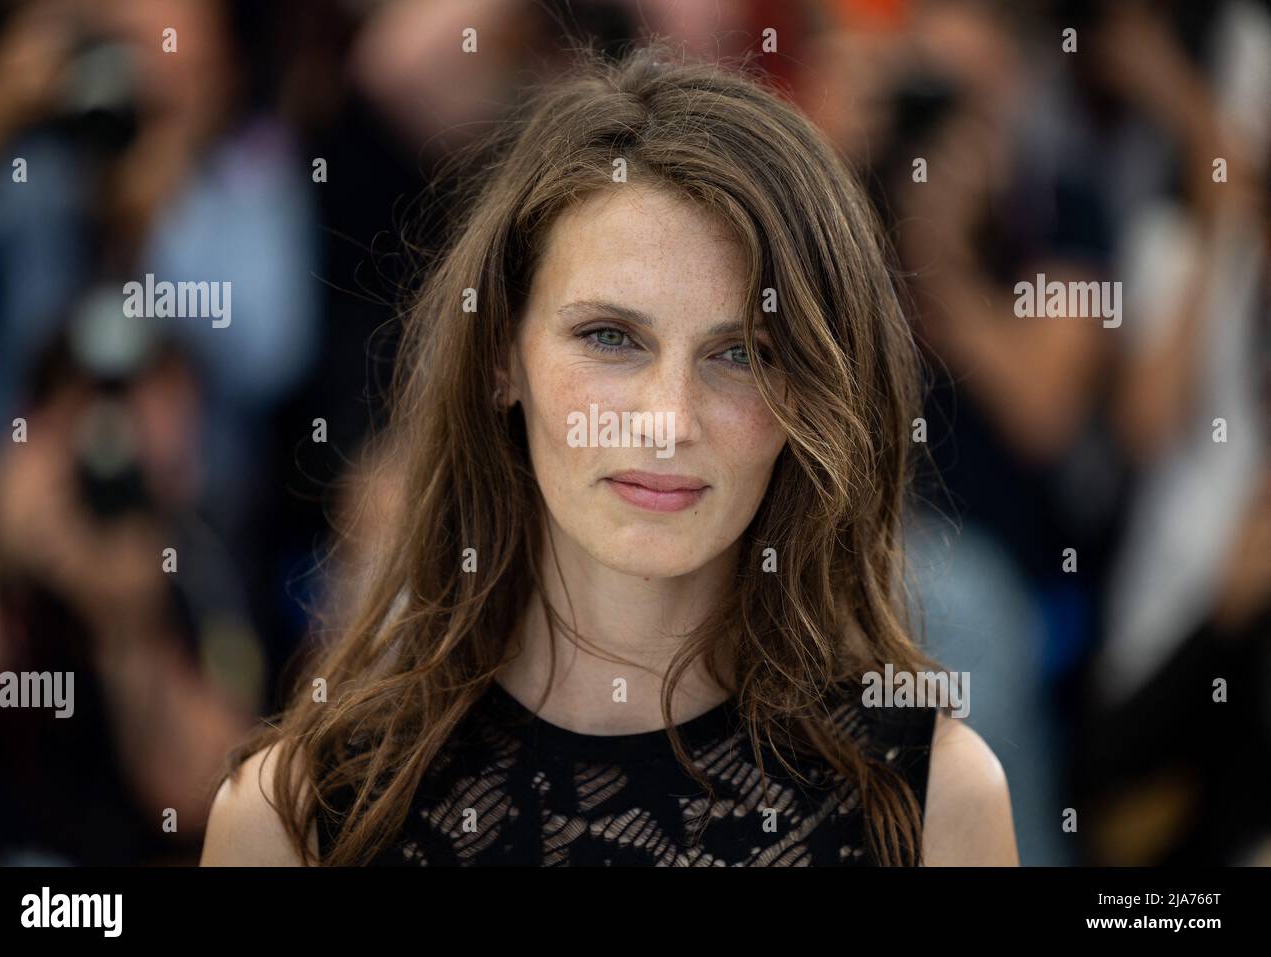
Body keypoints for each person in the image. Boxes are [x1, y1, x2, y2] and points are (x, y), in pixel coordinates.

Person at [200, 44, 1018, 867]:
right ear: (500, 357)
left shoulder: (932, 801)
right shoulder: (297, 813)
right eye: (609, 337)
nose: (668, 420)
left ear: (808, 394)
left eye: (742, 354)